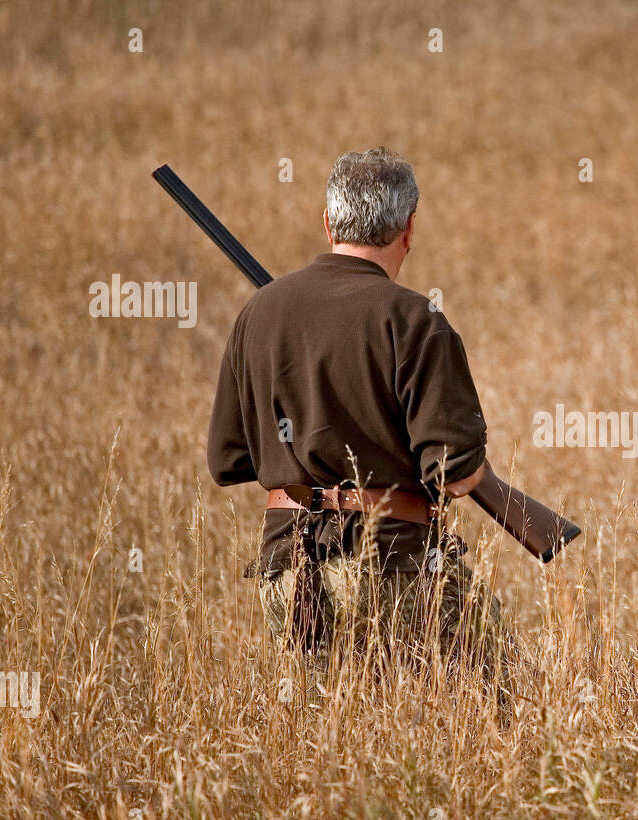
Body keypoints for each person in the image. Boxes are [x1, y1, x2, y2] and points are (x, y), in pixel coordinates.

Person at [206, 147, 506, 691]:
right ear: (409, 228)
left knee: (324, 743)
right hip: (395, 563)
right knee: (496, 700)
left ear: (327, 222)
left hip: (291, 573)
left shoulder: (259, 312)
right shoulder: (416, 318)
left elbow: (228, 461)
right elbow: (454, 471)